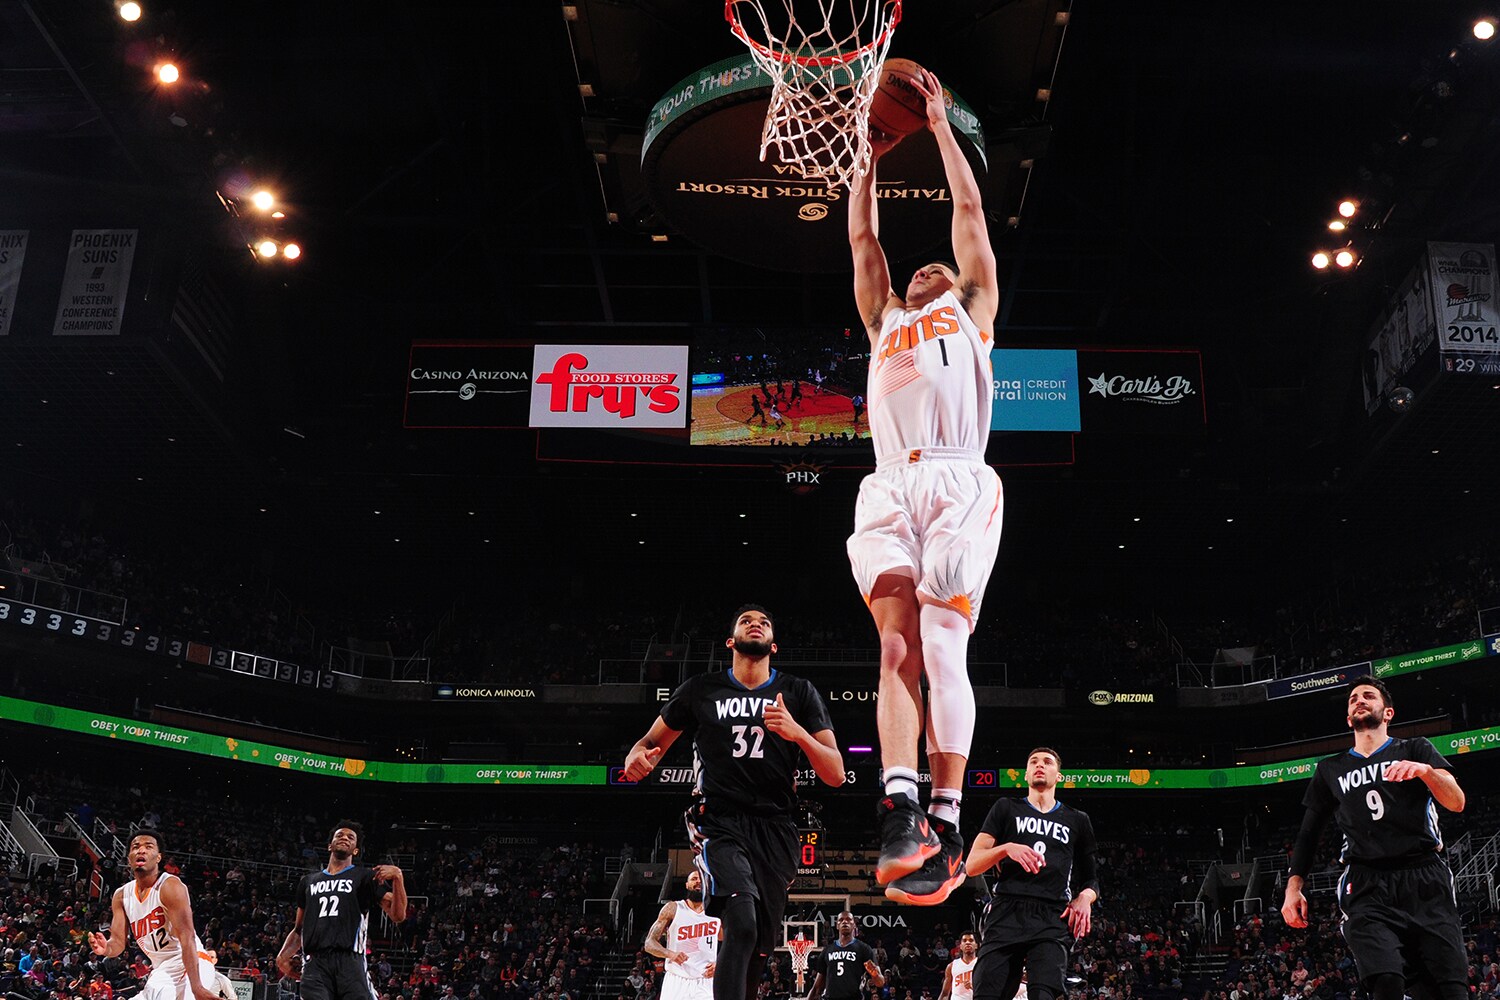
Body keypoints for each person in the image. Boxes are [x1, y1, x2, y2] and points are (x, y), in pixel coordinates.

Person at [846, 65, 1004, 905]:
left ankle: (946, 816)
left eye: (933, 268)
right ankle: (902, 811)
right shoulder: (886, 322)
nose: (921, 273)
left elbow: (968, 213)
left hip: (956, 476)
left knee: (943, 650)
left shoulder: (970, 308)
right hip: (886, 486)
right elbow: (863, 242)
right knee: (895, 648)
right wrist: (865, 158)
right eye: (916, 273)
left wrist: (939, 125)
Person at [623, 605, 845, 1000]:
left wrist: (797, 733)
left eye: (764, 622)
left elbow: (836, 773)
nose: (755, 624)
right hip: (719, 820)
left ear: (773, 646)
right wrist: (636, 755)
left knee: (759, 942)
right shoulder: (700, 689)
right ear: (731, 641)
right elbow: (649, 742)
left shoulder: (798, 691)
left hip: (776, 825)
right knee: (740, 924)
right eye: (746, 621)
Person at [1280, 676, 1466, 1000]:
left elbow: (1457, 802)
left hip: (1425, 879)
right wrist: (1293, 888)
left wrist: (1426, 772)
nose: (1360, 701)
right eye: (1353, 699)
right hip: (1367, 884)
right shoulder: (1330, 769)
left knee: (1449, 992)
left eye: (1368, 695)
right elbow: (1309, 833)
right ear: (1348, 718)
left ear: (1388, 712)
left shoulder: (1415, 748)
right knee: (1386, 982)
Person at [965, 749, 1098, 1000]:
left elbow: (1091, 878)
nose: (1040, 765)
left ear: (1058, 776)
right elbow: (972, 865)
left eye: (1047, 762)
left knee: (1042, 994)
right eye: (1033, 762)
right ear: (1025, 775)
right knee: (988, 993)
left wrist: (1085, 898)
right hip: (1007, 910)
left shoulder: (1077, 819)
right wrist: (1006, 848)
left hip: (1052, 914)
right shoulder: (1006, 807)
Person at [276, 821, 408, 1000]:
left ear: (356, 850)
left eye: (350, 837)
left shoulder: (365, 877)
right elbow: (299, 929)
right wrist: (282, 957)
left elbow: (398, 915)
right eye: (339, 835)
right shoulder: (308, 882)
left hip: (350, 962)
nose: (344, 838)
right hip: (315, 963)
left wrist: (398, 878)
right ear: (330, 846)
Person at [87, 829, 219, 1000]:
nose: (141, 850)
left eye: (148, 847)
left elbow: (187, 938)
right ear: (129, 858)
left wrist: (197, 987)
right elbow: (118, 943)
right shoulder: (121, 896)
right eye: (135, 847)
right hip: (162, 971)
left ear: (158, 857)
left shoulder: (170, 886)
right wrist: (106, 948)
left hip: (193, 964)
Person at [643, 870, 719, 1000]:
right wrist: (670, 954)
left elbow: (733, 943)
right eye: (694, 879)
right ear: (687, 885)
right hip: (676, 979)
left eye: (702, 879)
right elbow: (649, 943)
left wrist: (720, 963)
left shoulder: (716, 911)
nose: (698, 882)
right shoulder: (673, 908)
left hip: (706, 979)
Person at [809, 912, 885, 1000]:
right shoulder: (827, 950)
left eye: (848, 919)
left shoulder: (864, 949)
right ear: (837, 925)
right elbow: (816, 987)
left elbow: (881, 983)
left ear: (854, 925)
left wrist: (875, 975)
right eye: (841, 920)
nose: (845, 922)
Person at [938, 934, 977, 1000]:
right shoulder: (951, 966)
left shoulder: (981, 964)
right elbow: (945, 993)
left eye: (971, 940)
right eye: (964, 941)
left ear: (976, 945)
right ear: (960, 946)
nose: (968, 943)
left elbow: (989, 990)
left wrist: (973, 987)